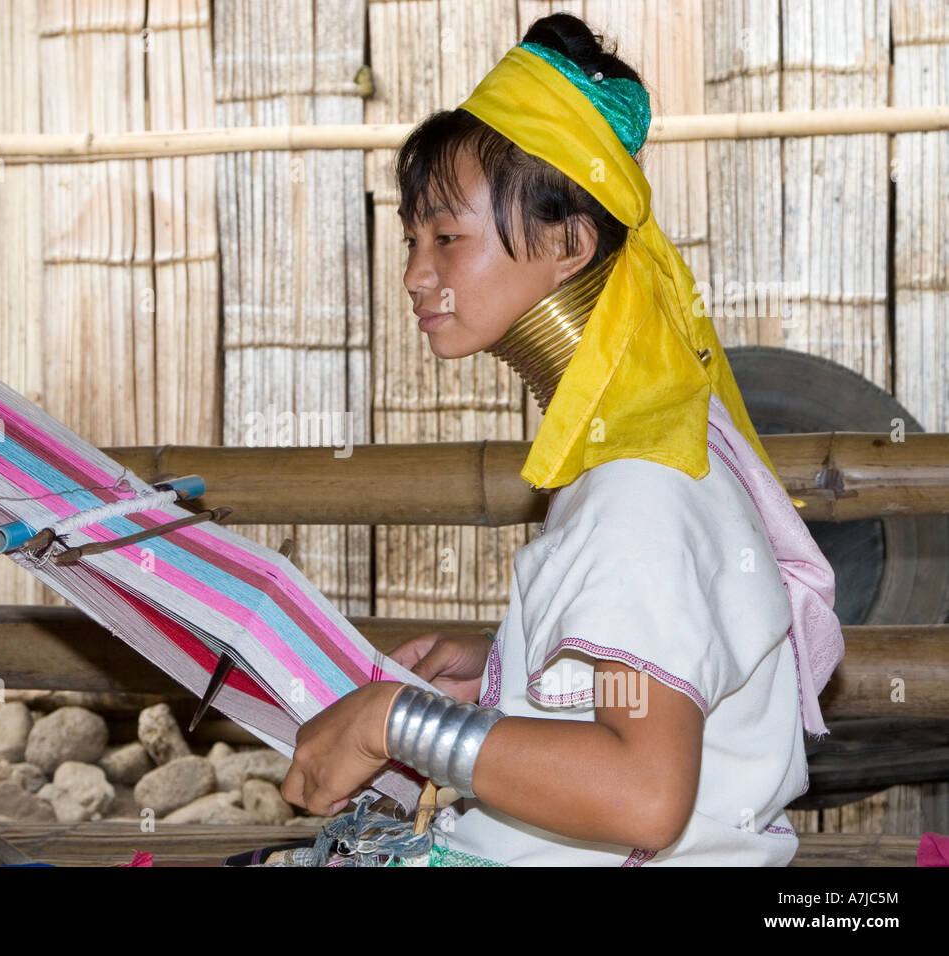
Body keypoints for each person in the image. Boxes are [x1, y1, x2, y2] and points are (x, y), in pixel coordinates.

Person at [277, 12, 844, 866]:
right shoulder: (648, 442)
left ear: (569, 243)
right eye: (411, 240)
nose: (414, 275)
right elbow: (649, 679)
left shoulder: (637, 484)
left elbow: (642, 796)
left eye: (446, 237)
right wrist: (521, 660)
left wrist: (394, 721)